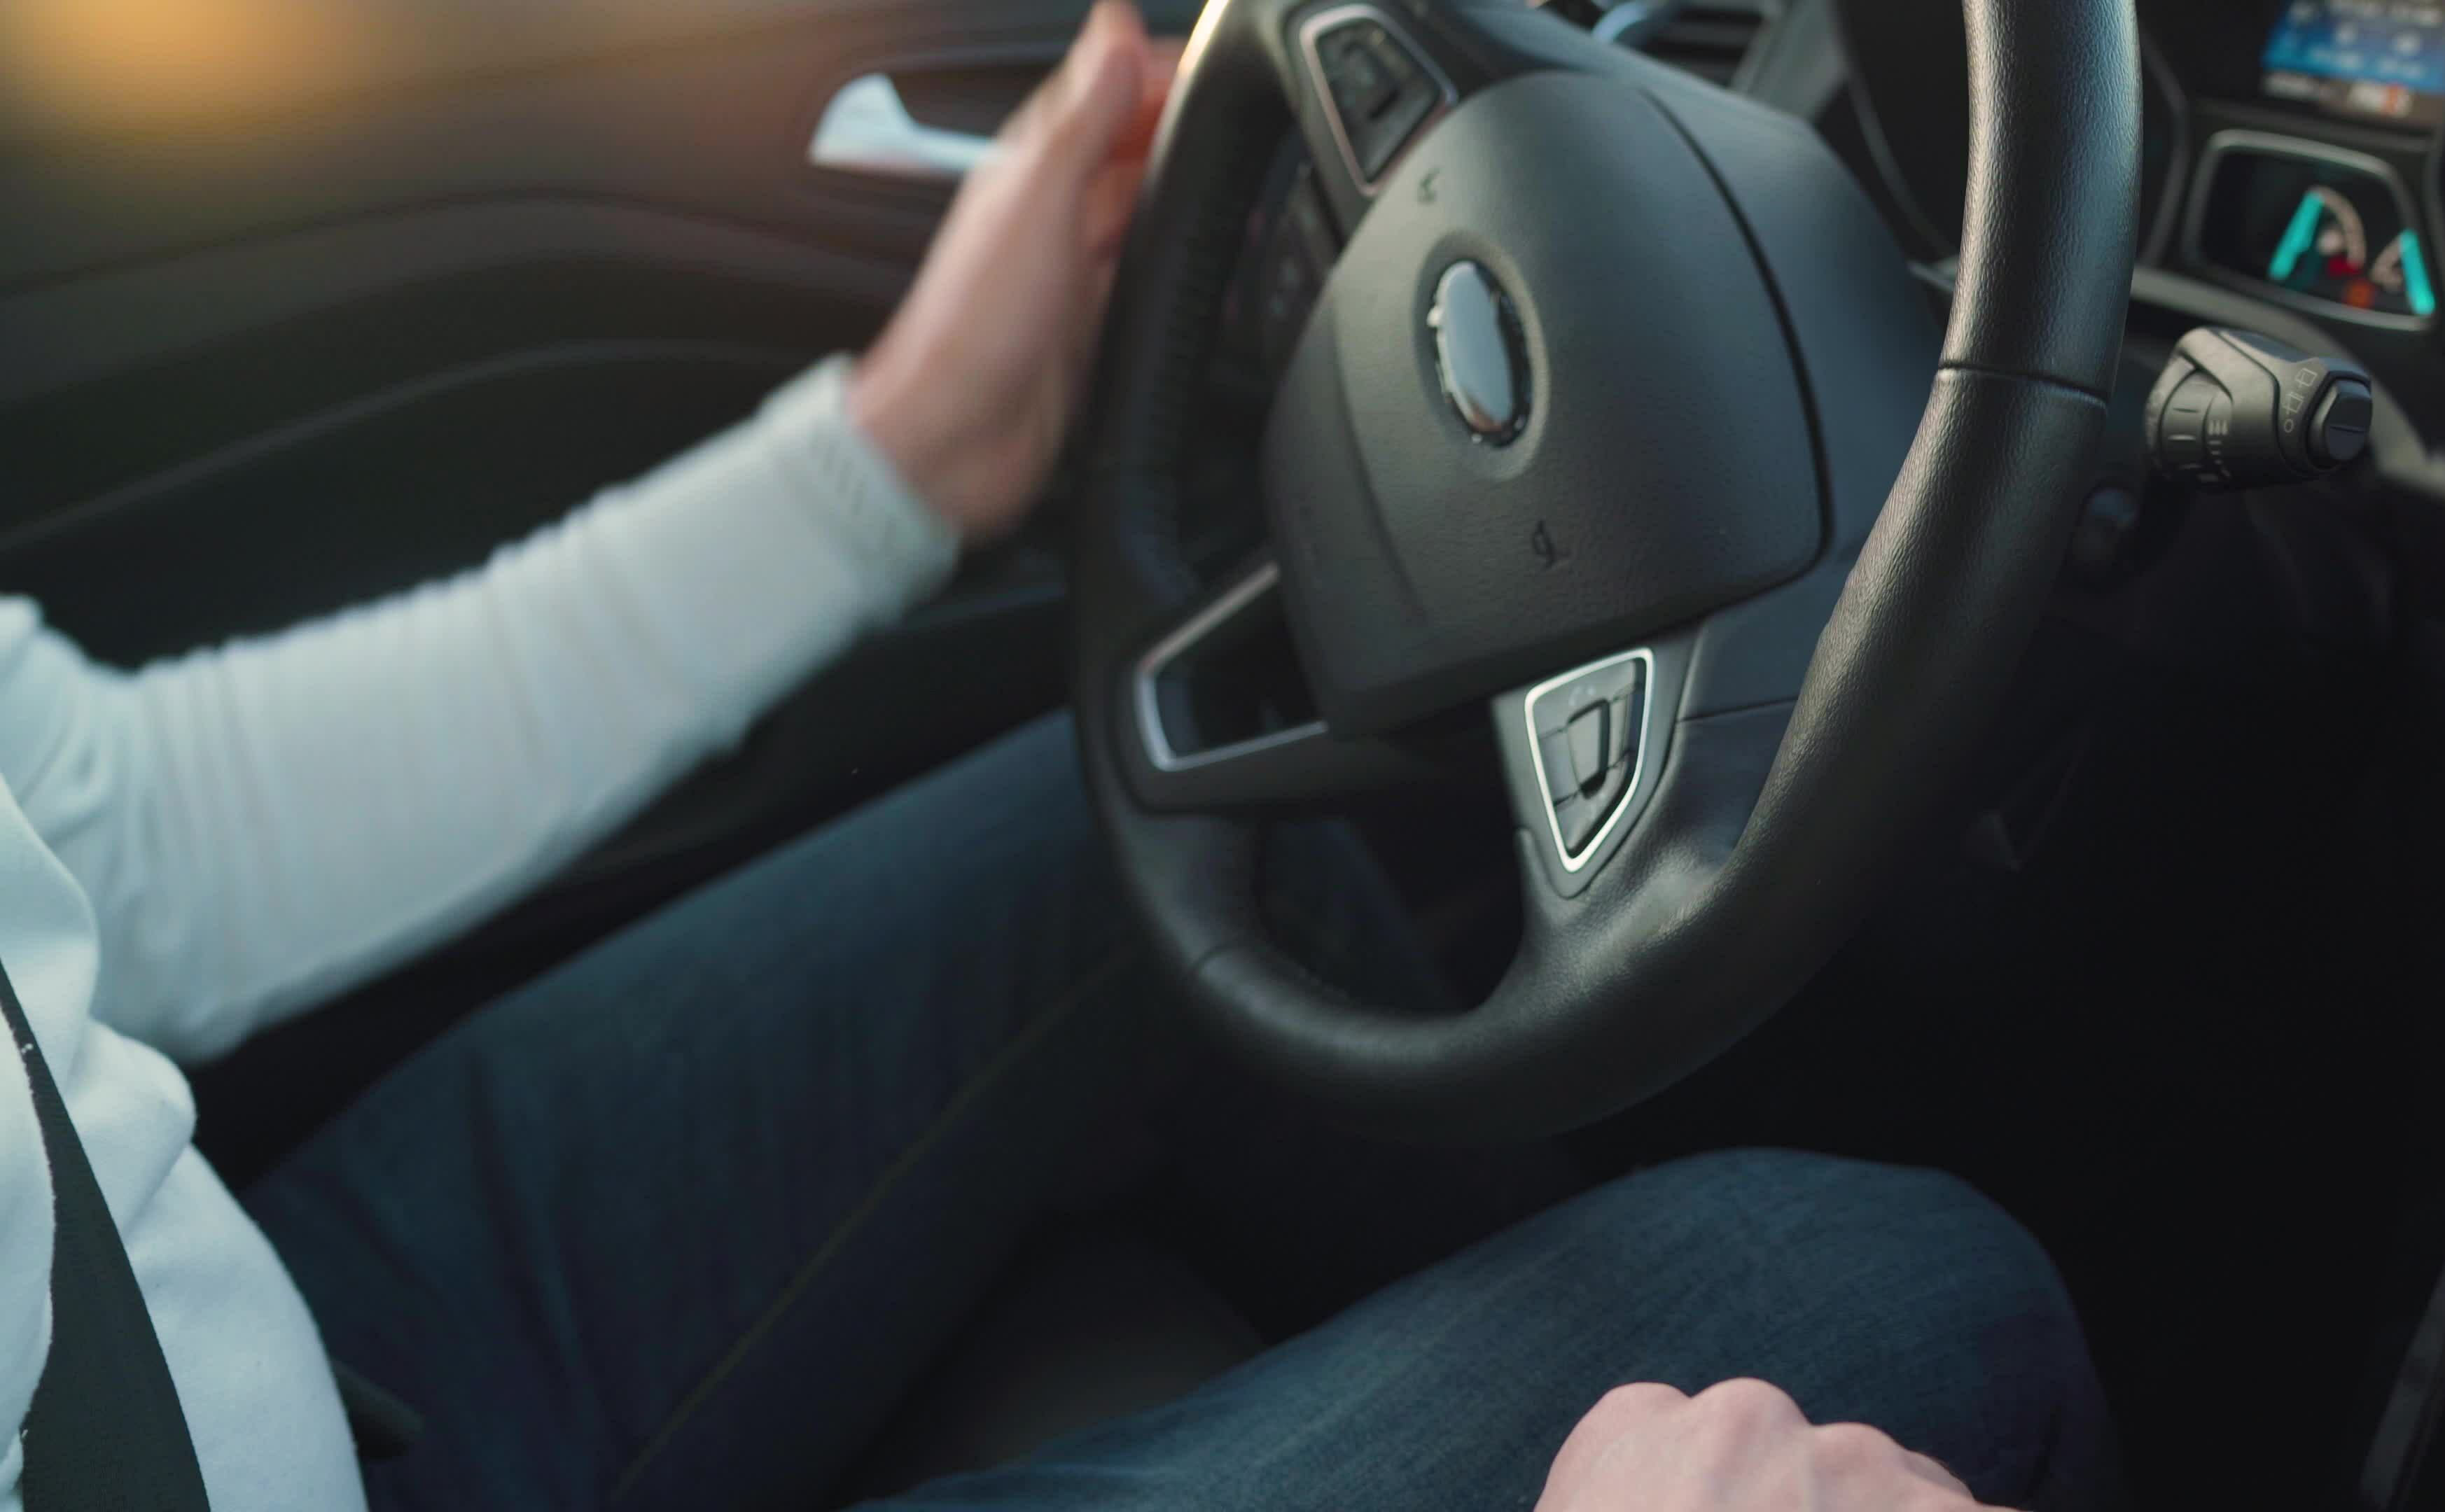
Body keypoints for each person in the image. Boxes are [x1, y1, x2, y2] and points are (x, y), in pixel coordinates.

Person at [0, 4, 2115, 1510]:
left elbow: (111, 833)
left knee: (1166, 849)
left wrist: (896, 459)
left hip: (195, 1311)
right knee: (1922, 1296)